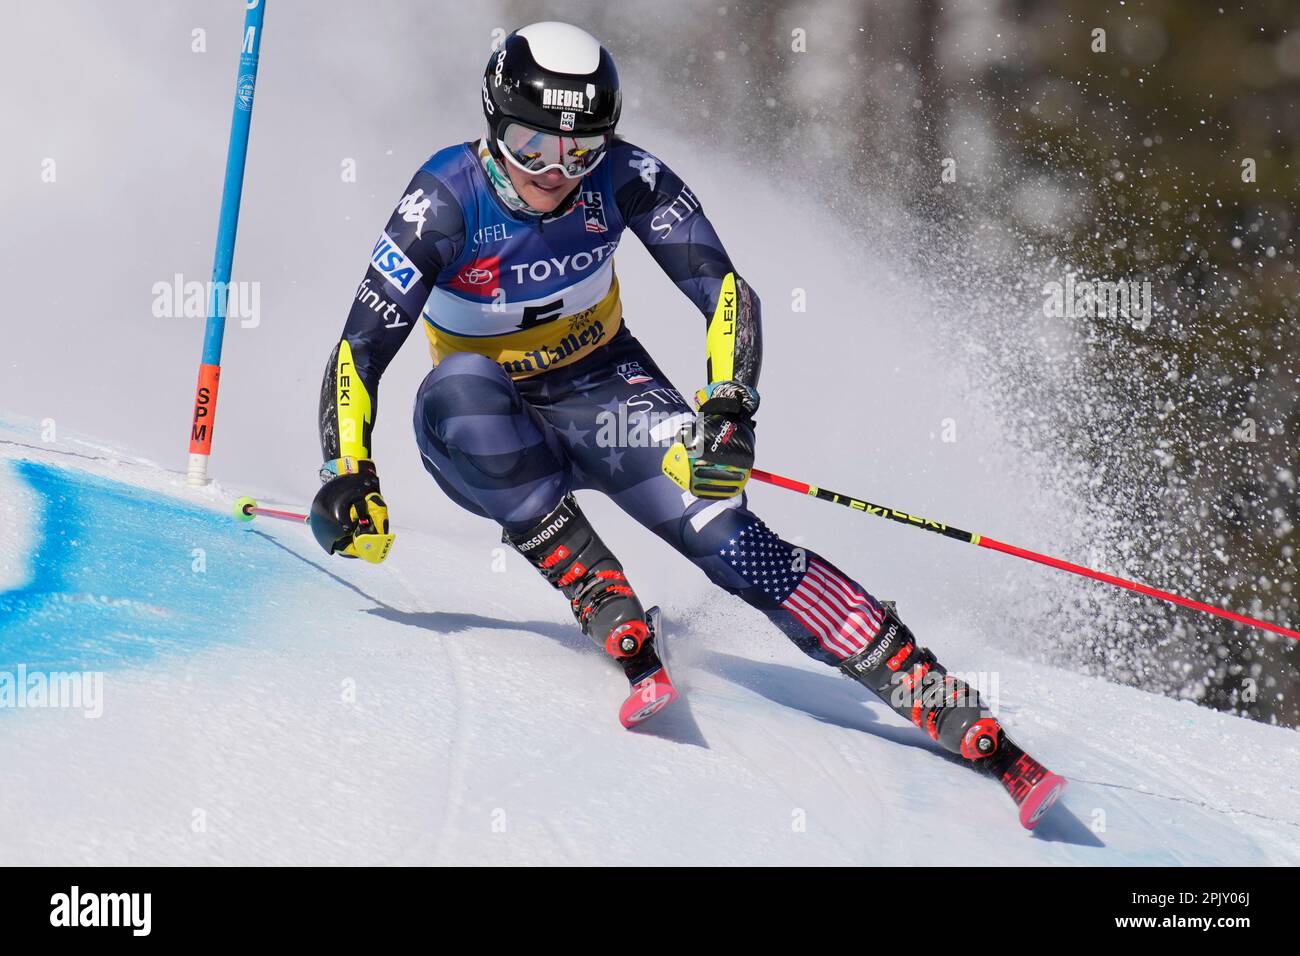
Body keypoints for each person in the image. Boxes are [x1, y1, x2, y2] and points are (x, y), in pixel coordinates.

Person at [310, 21, 1031, 782]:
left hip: (605, 392)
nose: (555, 172)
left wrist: (727, 410)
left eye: (580, 150)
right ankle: (591, 580)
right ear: (494, 124)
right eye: (532, 146)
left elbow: (726, 292)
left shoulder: (628, 177)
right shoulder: (443, 201)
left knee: (728, 536)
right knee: (458, 388)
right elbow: (359, 348)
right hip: (488, 421)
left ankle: (919, 682)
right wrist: (346, 468)